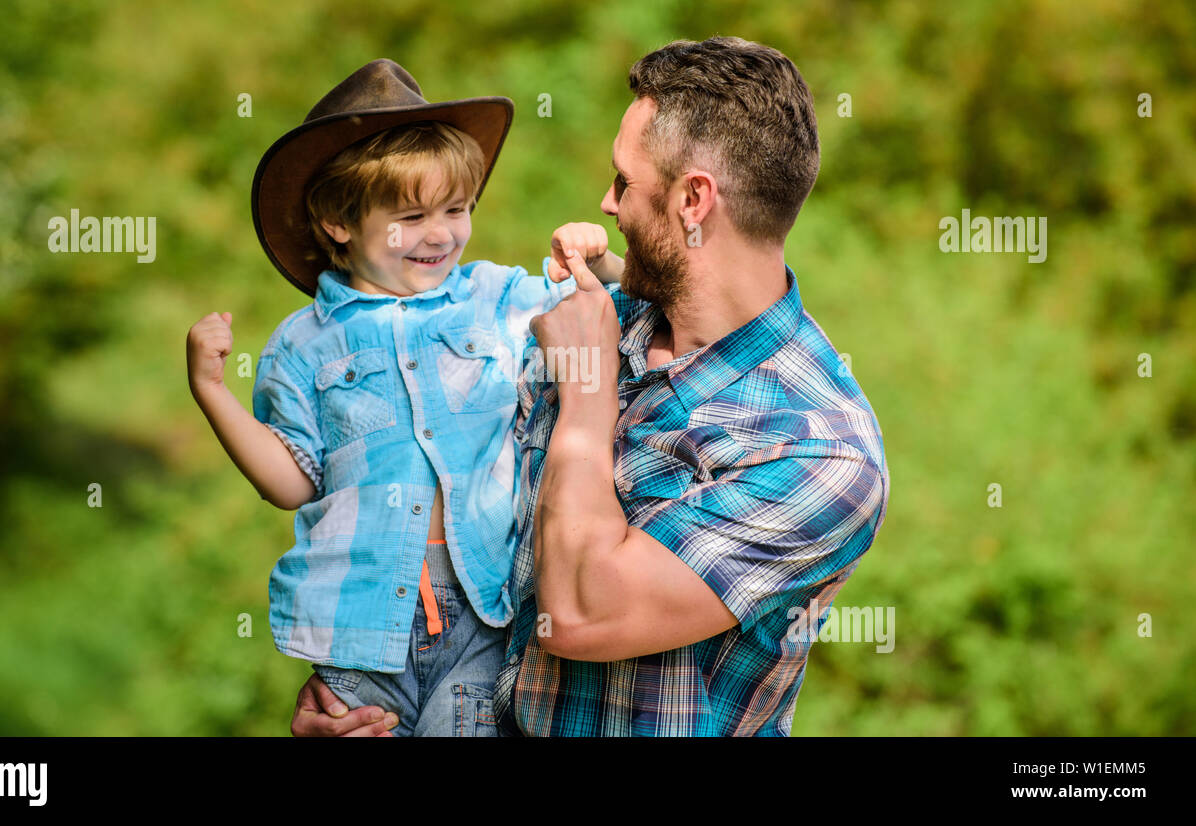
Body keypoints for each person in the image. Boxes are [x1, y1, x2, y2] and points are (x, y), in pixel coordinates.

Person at [292, 37, 889, 738]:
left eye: (624, 182)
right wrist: (363, 682)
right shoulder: (602, 319)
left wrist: (586, 395)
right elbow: (417, 465)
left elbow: (580, 615)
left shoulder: (819, 452)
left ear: (694, 200)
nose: (606, 203)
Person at [186, 59, 622, 736]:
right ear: (337, 219)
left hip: (485, 615)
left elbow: (618, 308)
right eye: (412, 216)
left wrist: (599, 259)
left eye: (458, 210)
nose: (441, 233)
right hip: (357, 627)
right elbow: (291, 482)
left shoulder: (495, 298)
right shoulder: (304, 344)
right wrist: (210, 391)